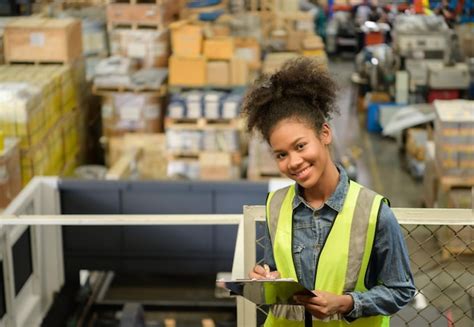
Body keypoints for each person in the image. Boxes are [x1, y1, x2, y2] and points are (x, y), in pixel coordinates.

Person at [242, 57, 415, 326]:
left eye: (300, 146)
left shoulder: (373, 211)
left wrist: (347, 304)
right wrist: (267, 278)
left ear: (325, 133)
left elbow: (400, 289)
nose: (294, 162)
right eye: (281, 154)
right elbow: (275, 268)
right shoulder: (276, 205)